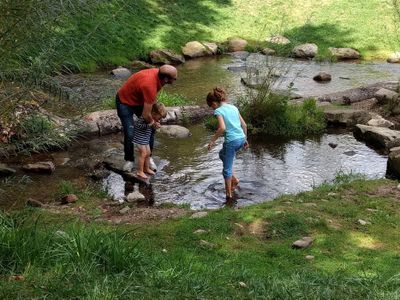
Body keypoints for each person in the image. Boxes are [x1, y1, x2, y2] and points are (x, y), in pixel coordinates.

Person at [116, 64, 177, 171]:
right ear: (166, 79)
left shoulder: (159, 75)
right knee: (129, 133)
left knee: (151, 129)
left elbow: (149, 102)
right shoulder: (150, 85)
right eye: (174, 78)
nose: (176, 79)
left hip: (139, 101)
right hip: (124, 102)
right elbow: (146, 115)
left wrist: (153, 121)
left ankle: (149, 157)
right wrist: (153, 123)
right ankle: (129, 160)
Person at [206, 87, 248, 203]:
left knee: (226, 170)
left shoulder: (218, 111)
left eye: (211, 106)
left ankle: (228, 196)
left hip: (231, 142)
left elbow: (222, 128)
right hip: (241, 138)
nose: (212, 109)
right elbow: (244, 125)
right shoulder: (234, 107)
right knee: (222, 154)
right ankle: (233, 178)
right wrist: (245, 140)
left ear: (214, 103)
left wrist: (212, 141)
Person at [133, 103, 167, 179]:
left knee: (148, 153)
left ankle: (146, 168)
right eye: (159, 117)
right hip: (139, 138)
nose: (159, 120)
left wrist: (155, 126)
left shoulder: (153, 119)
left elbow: (151, 129)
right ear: (154, 113)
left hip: (145, 139)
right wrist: (150, 124)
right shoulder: (144, 117)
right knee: (143, 153)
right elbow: (138, 126)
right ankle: (140, 171)